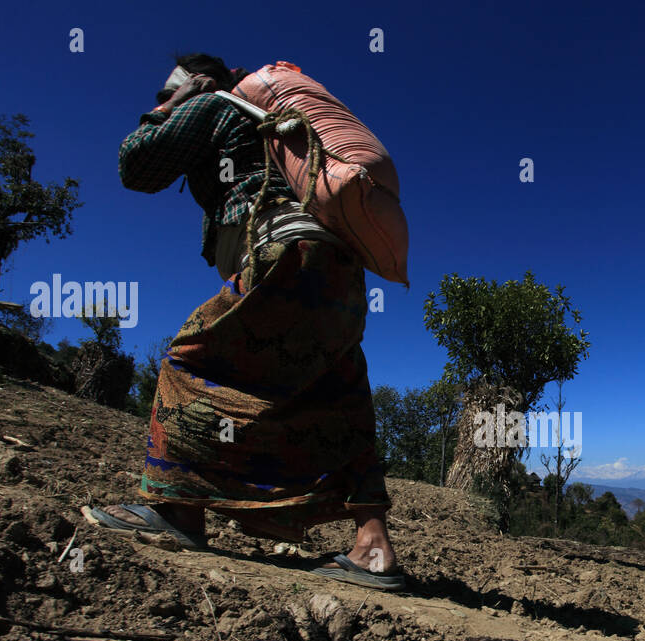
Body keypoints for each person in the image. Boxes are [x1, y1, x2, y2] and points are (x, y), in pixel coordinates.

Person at [83, 53, 404, 591]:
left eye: (168, 89)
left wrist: (179, 104)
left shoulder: (211, 104)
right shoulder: (270, 126)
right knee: (339, 391)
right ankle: (373, 545)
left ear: (197, 80)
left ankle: (176, 511)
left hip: (281, 249)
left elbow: (136, 166)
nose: (161, 100)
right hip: (340, 268)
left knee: (188, 361)